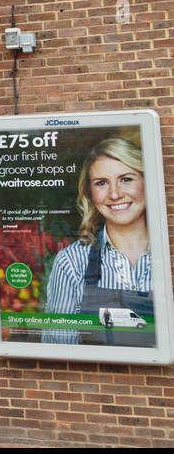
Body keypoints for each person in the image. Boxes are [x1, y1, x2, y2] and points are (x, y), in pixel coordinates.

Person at [43, 137, 152, 345]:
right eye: (101, 183)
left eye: (126, 179)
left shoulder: (166, 253)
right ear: (89, 194)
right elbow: (59, 345)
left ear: (147, 182)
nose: (115, 194)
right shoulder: (72, 262)